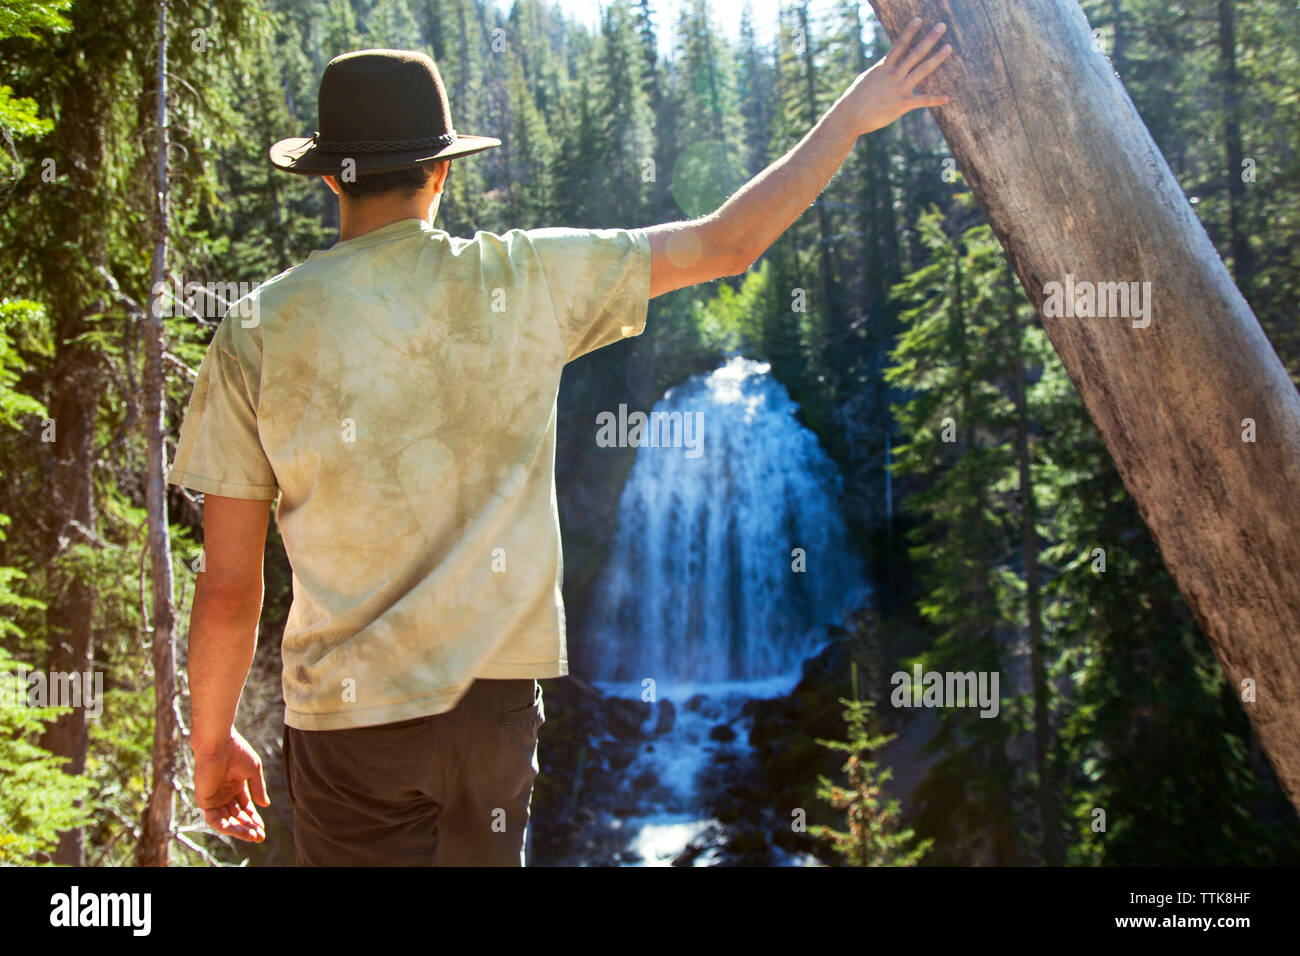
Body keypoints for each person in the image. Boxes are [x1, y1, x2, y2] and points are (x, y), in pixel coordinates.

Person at [171, 21, 952, 867]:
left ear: (329, 176)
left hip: (346, 721)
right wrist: (853, 115)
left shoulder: (256, 331)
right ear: (440, 172)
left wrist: (211, 745)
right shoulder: (522, 279)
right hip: (492, 710)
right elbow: (730, 242)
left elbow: (228, 585)